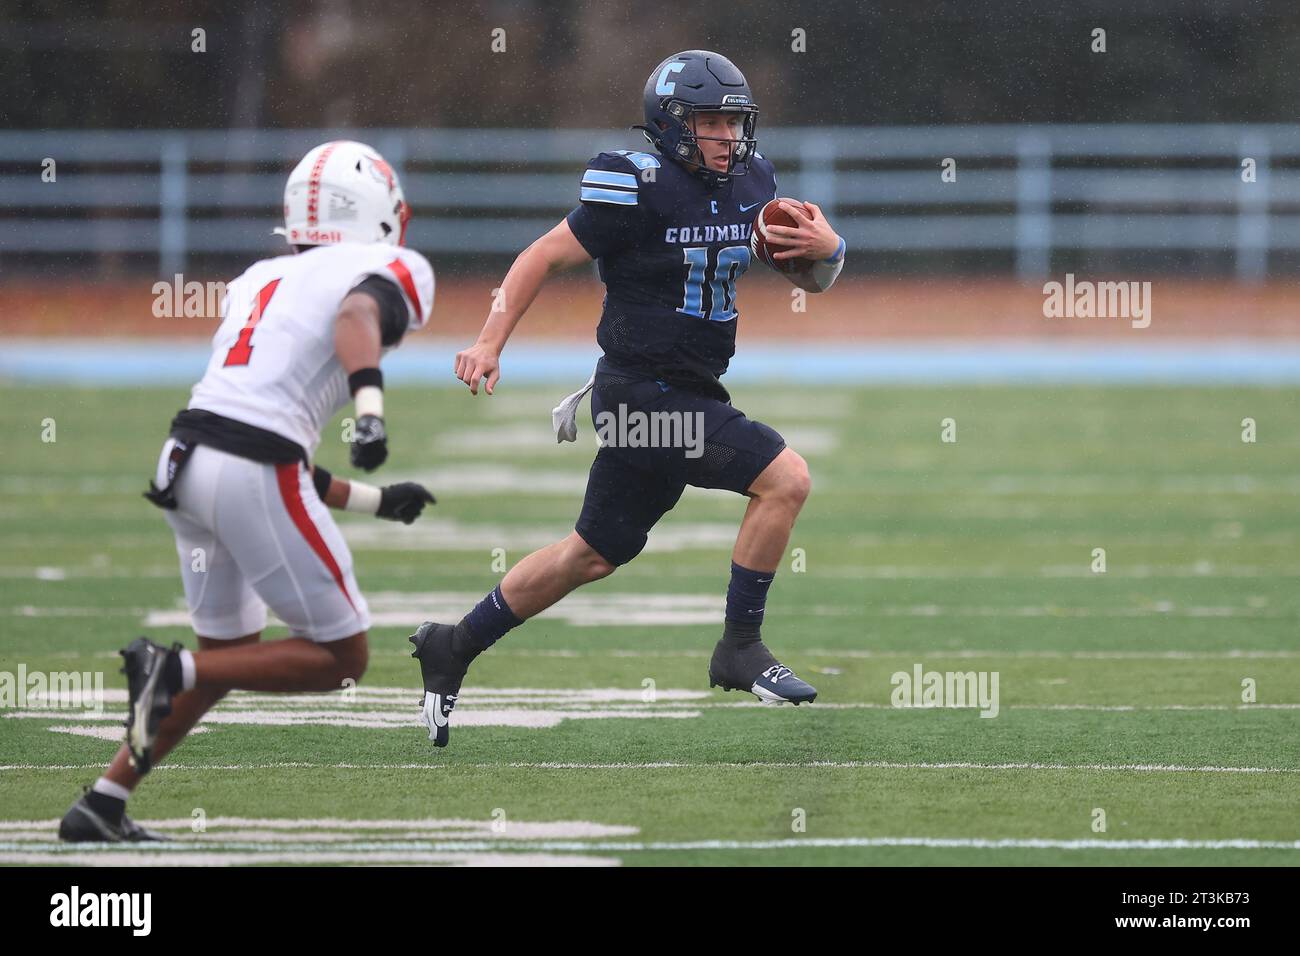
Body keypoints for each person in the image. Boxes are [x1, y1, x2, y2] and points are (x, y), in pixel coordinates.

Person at [410, 50, 847, 748]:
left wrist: (831, 251)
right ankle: (740, 646)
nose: (729, 137)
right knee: (785, 477)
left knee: (592, 554)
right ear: (672, 125)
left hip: (690, 390)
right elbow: (542, 256)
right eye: (711, 122)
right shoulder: (635, 185)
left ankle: (453, 645)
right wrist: (490, 341)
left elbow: (813, 281)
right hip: (638, 397)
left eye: (735, 122)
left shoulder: (753, 185)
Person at [59, 140, 437, 841]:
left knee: (228, 655)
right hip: (249, 464)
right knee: (341, 657)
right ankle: (166, 667)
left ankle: (104, 800)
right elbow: (356, 319)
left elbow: (262, 437)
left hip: (188, 459)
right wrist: (371, 413)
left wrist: (376, 501)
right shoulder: (389, 266)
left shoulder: (260, 277)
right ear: (379, 212)